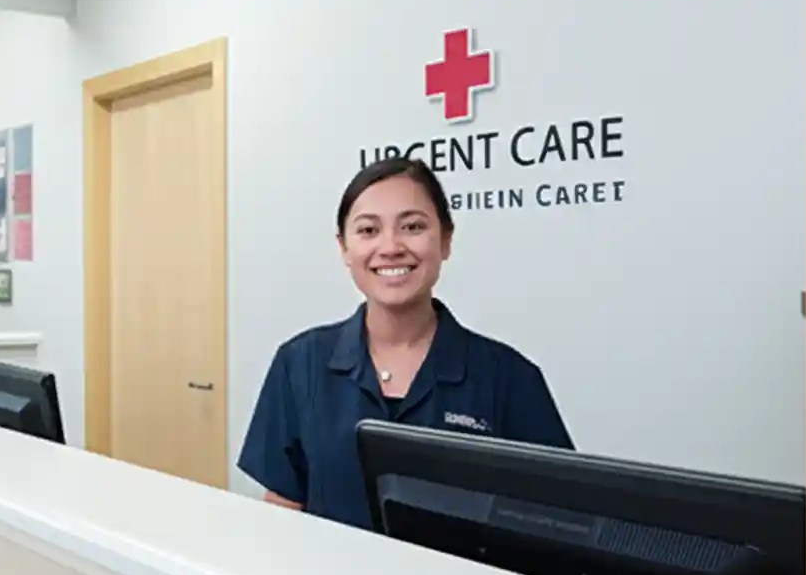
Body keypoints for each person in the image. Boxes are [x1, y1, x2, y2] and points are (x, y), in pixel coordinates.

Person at [237, 157, 574, 531]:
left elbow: (554, 526)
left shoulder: (510, 378)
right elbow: (282, 507)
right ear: (344, 248)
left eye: (412, 226)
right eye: (368, 230)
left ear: (445, 240)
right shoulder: (299, 364)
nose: (391, 247)